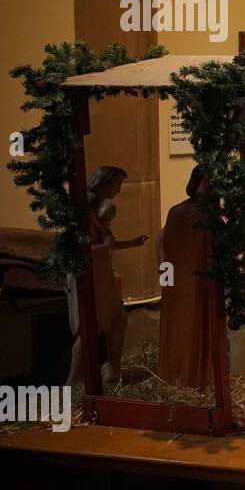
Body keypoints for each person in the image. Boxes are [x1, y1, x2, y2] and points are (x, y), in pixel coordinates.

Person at [66, 165, 148, 388]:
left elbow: (105, 245)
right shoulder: (85, 208)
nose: (119, 189)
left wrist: (131, 243)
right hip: (88, 273)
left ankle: (113, 371)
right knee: (89, 327)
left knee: (118, 320)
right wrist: (105, 246)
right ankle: (73, 381)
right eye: (117, 184)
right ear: (104, 181)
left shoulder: (98, 208)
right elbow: (80, 250)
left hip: (101, 272)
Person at [158, 165, 216, 389]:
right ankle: (190, 376)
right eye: (208, 181)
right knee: (188, 324)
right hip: (189, 280)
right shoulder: (188, 213)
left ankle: (189, 375)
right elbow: (164, 241)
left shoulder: (181, 211)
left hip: (187, 280)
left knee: (189, 324)